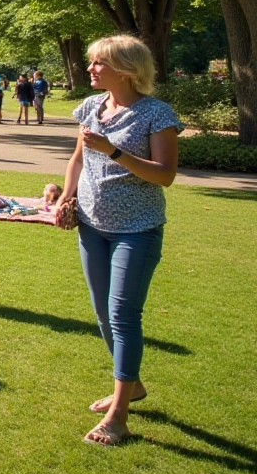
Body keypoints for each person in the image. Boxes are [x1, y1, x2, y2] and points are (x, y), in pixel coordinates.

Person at [58, 34, 181, 447]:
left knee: (123, 316)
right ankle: (134, 385)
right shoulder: (92, 107)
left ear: (126, 70)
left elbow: (165, 174)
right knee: (102, 313)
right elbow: (77, 158)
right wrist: (65, 197)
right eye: (91, 62)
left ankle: (119, 415)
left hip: (137, 229)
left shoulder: (156, 114)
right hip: (92, 226)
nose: (90, 69)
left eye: (98, 64)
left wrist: (114, 152)